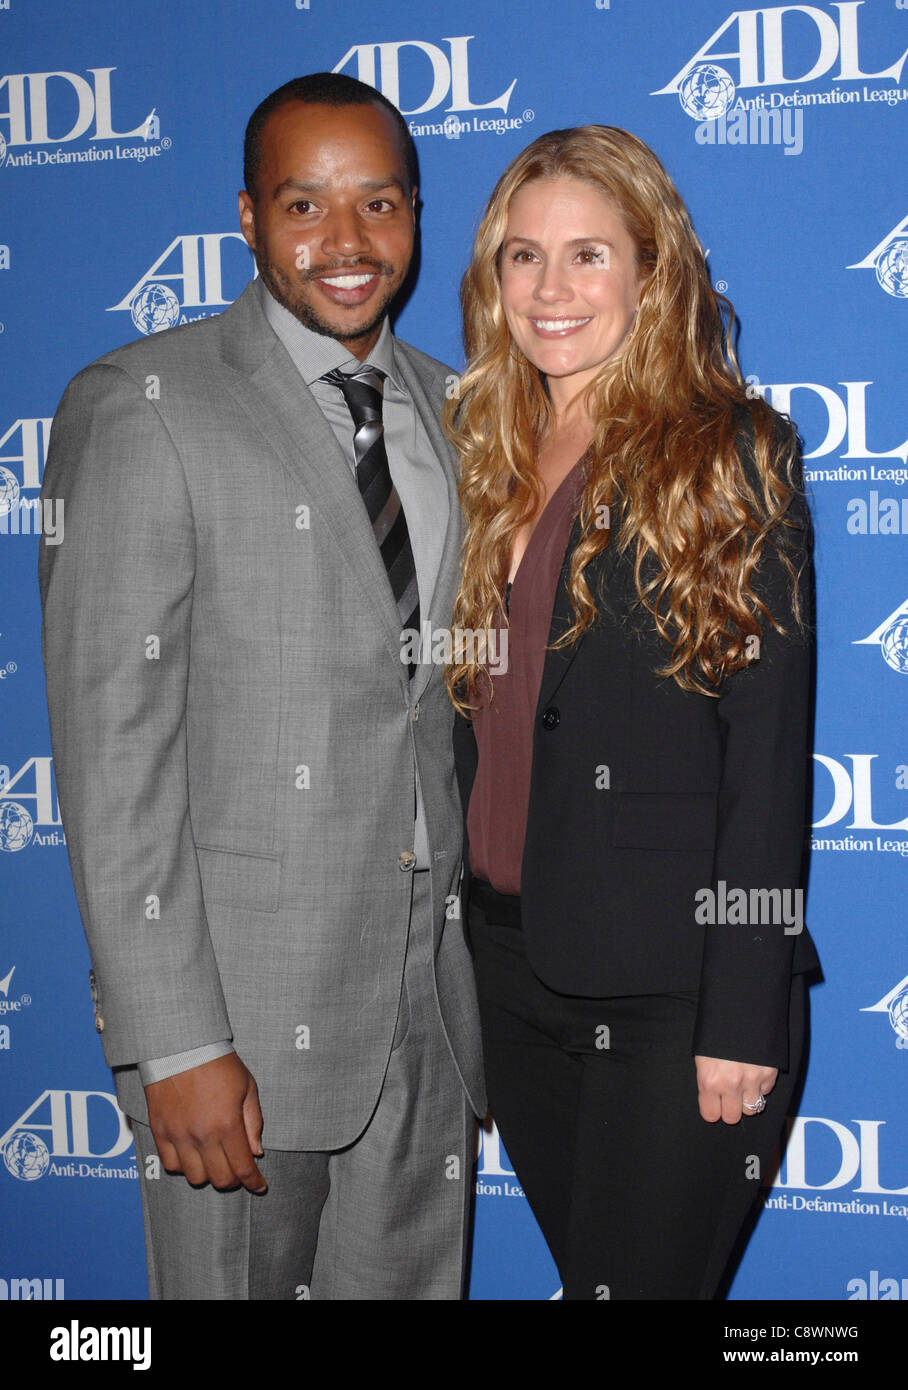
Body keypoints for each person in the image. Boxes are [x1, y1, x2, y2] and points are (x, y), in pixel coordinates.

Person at [38, 72, 484, 1301]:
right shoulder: (142, 406)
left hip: (431, 1016)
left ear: (414, 214)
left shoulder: (459, 408)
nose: (346, 244)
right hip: (234, 1016)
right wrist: (175, 1037)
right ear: (245, 217)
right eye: (304, 206)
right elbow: (110, 747)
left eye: (379, 204)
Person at [445, 125, 820, 1300]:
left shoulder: (728, 452)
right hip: (510, 976)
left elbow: (764, 754)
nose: (549, 290)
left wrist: (741, 1011)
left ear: (653, 273)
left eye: (588, 255)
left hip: (675, 993)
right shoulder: (481, 450)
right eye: (521, 256)